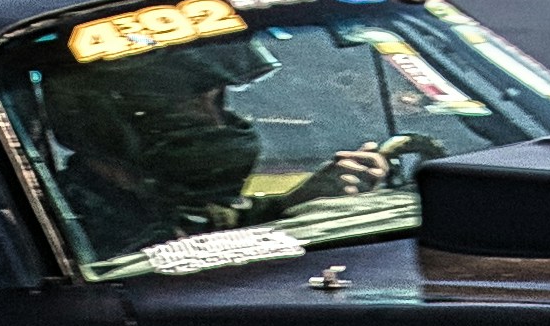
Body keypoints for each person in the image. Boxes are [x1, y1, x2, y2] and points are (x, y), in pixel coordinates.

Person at [31, 40, 414, 262]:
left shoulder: (158, 197)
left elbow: (219, 225)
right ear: (112, 121)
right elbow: (184, 260)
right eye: (190, 107)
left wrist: (299, 201)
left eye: (217, 103)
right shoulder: (72, 226)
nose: (217, 123)